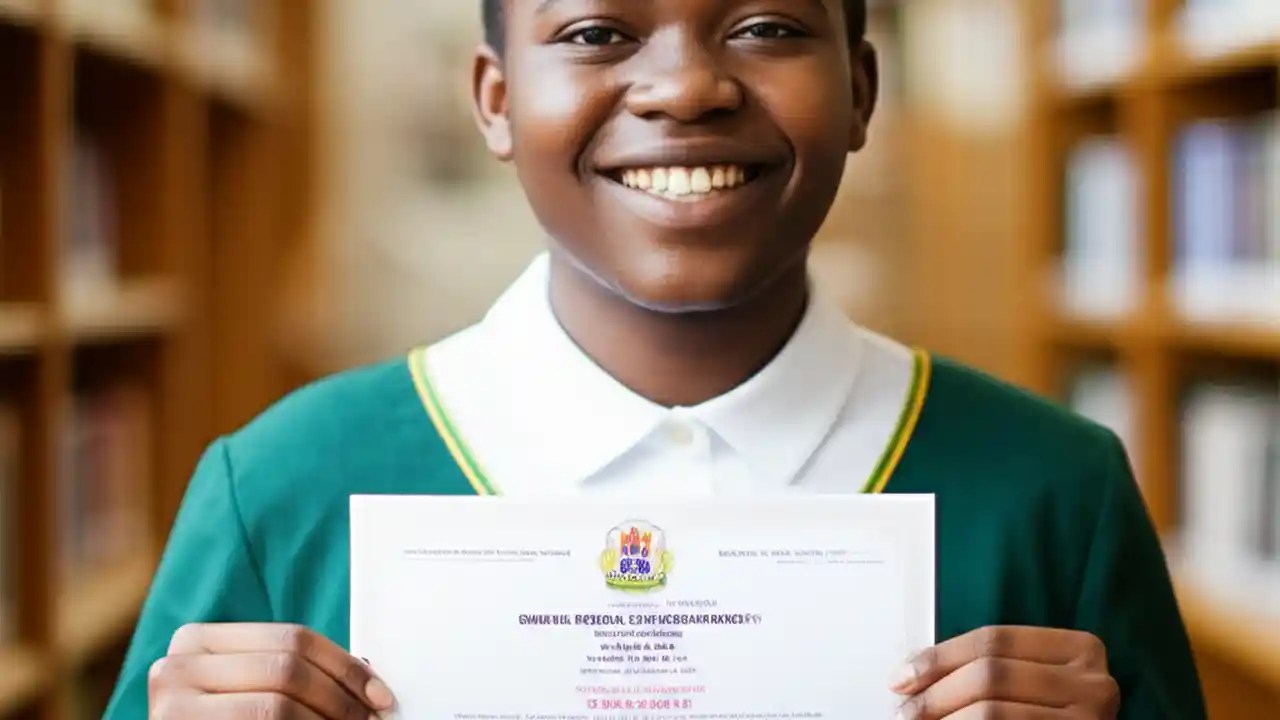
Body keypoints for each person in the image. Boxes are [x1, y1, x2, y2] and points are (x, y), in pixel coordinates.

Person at [108, 0, 1207, 717]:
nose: (686, 88)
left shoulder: (1056, 493)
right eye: (597, 32)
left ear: (861, 91)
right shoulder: (281, 489)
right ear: (497, 99)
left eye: (766, 26)